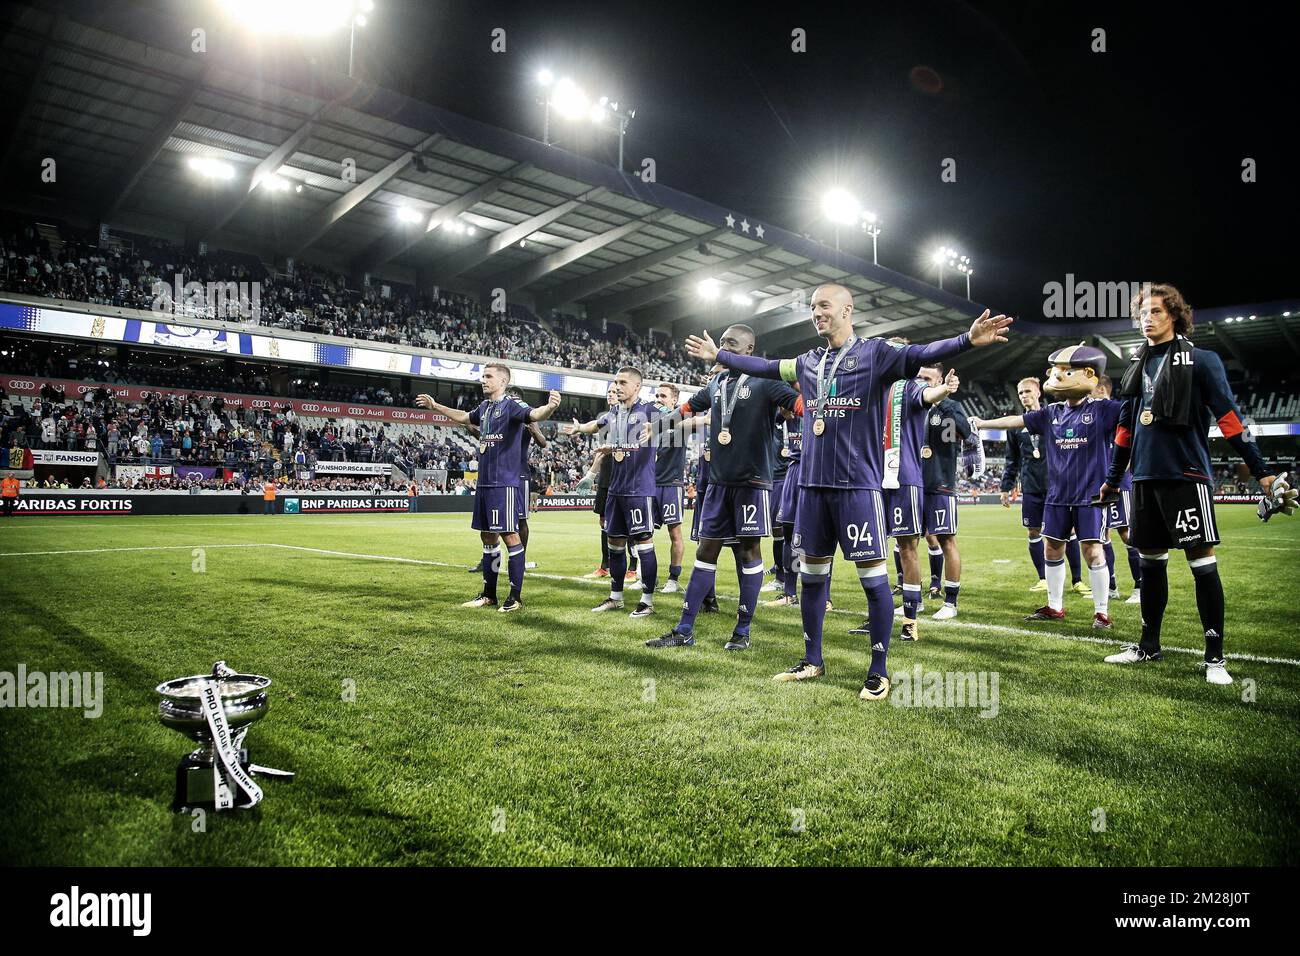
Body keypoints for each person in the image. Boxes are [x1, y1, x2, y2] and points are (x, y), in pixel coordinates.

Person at [686, 285, 1011, 699]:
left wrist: (967, 340)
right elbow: (767, 367)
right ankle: (812, 660)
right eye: (812, 307)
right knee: (812, 577)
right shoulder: (806, 362)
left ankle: (879, 669)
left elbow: (922, 354)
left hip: (857, 488)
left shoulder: (876, 354)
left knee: (873, 581)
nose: (815, 313)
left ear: (846, 309)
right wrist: (720, 357)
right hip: (812, 489)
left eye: (823, 305)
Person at [1098, 284, 1291, 684]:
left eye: (1154, 311)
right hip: (1145, 479)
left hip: (1187, 477)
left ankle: (1215, 658)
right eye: (1142, 313)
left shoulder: (1202, 361)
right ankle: (1148, 646)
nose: (1146, 319)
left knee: (1202, 565)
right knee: (1150, 566)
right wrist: (1113, 480)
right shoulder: (1136, 365)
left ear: (1174, 314)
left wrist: (1262, 472)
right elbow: (1124, 431)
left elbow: (1229, 418)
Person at [646, 325, 800, 649]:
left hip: (751, 482)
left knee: (748, 551)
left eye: (731, 344)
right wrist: (656, 426)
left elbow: (799, 405)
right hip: (717, 482)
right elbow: (687, 408)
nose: (723, 348)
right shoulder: (716, 382)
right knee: (705, 551)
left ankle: (742, 632)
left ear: (749, 350)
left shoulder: (767, 381)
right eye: (722, 343)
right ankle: (684, 629)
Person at [972, 344, 1122, 628]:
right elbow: (1016, 420)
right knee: (1052, 548)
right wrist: (981, 423)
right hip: (1056, 496)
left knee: (1092, 549)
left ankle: (1101, 612)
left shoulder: (1104, 410)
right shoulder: (1051, 413)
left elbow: (1135, 413)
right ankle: (1055, 606)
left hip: (1090, 496)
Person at [417, 366, 561, 613]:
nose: (483, 380)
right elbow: (464, 417)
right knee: (487, 537)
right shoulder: (485, 408)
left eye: (488, 377)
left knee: (510, 536)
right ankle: (489, 595)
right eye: (483, 376)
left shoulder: (512, 406)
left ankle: (515, 597)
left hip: (503, 483)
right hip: (484, 482)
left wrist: (551, 407)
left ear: (503, 381)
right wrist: (435, 406)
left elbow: (535, 415)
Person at [852, 356, 961, 639]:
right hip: (876, 478)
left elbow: (932, 396)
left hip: (910, 479)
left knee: (913, 544)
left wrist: (945, 390)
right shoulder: (879, 390)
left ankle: (915, 619)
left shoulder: (913, 392)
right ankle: (885, 612)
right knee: (880, 549)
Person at [561, 366, 664, 618]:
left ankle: (647, 601)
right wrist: (578, 429)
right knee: (614, 544)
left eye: (622, 382)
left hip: (638, 490)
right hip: (615, 490)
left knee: (643, 545)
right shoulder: (614, 412)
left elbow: (674, 420)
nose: (617, 387)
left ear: (637, 387)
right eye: (615, 382)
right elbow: (595, 425)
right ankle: (616, 597)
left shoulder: (650, 410)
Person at [918, 362, 971, 621]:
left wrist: (945, 398)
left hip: (940, 484)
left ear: (939, 381)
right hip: (912, 484)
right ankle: (912, 599)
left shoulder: (951, 407)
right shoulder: (912, 407)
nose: (922, 382)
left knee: (947, 540)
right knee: (906, 542)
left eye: (928, 378)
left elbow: (966, 431)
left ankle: (950, 602)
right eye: (919, 377)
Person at [1092, 374, 1143, 604]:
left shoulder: (1119, 412)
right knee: (1103, 536)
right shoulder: (1094, 416)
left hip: (1120, 484)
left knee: (1127, 533)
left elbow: (1129, 448)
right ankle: (1111, 585)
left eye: (1090, 390)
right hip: (1098, 484)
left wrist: (1123, 471)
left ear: (1102, 390)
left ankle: (1140, 586)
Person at [999, 377, 1050, 591]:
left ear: (1038, 392)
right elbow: (1012, 459)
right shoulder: (1015, 426)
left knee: (1067, 532)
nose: (1023, 396)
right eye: (1020, 393)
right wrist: (1005, 486)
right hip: (1030, 486)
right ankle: (1043, 578)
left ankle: (1077, 580)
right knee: (1033, 531)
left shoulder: (1052, 416)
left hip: (1055, 485)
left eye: (1027, 391)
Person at [650, 382, 688, 593]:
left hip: (671, 484)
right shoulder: (652, 421)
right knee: (644, 533)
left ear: (674, 400)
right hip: (651, 484)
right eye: (657, 395)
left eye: (663, 396)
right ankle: (648, 576)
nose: (659, 399)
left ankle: (673, 579)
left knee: (675, 534)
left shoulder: (681, 420)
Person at [582, 384, 621, 580]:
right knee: (603, 521)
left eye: (615, 392)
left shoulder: (633, 416)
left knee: (626, 523)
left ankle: (632, 568)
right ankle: (605, 566)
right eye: (609, 392)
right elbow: (601, 452)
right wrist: (590, 475)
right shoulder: (606, 420)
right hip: (606, 475)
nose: (612, 395)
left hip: (623, 475)